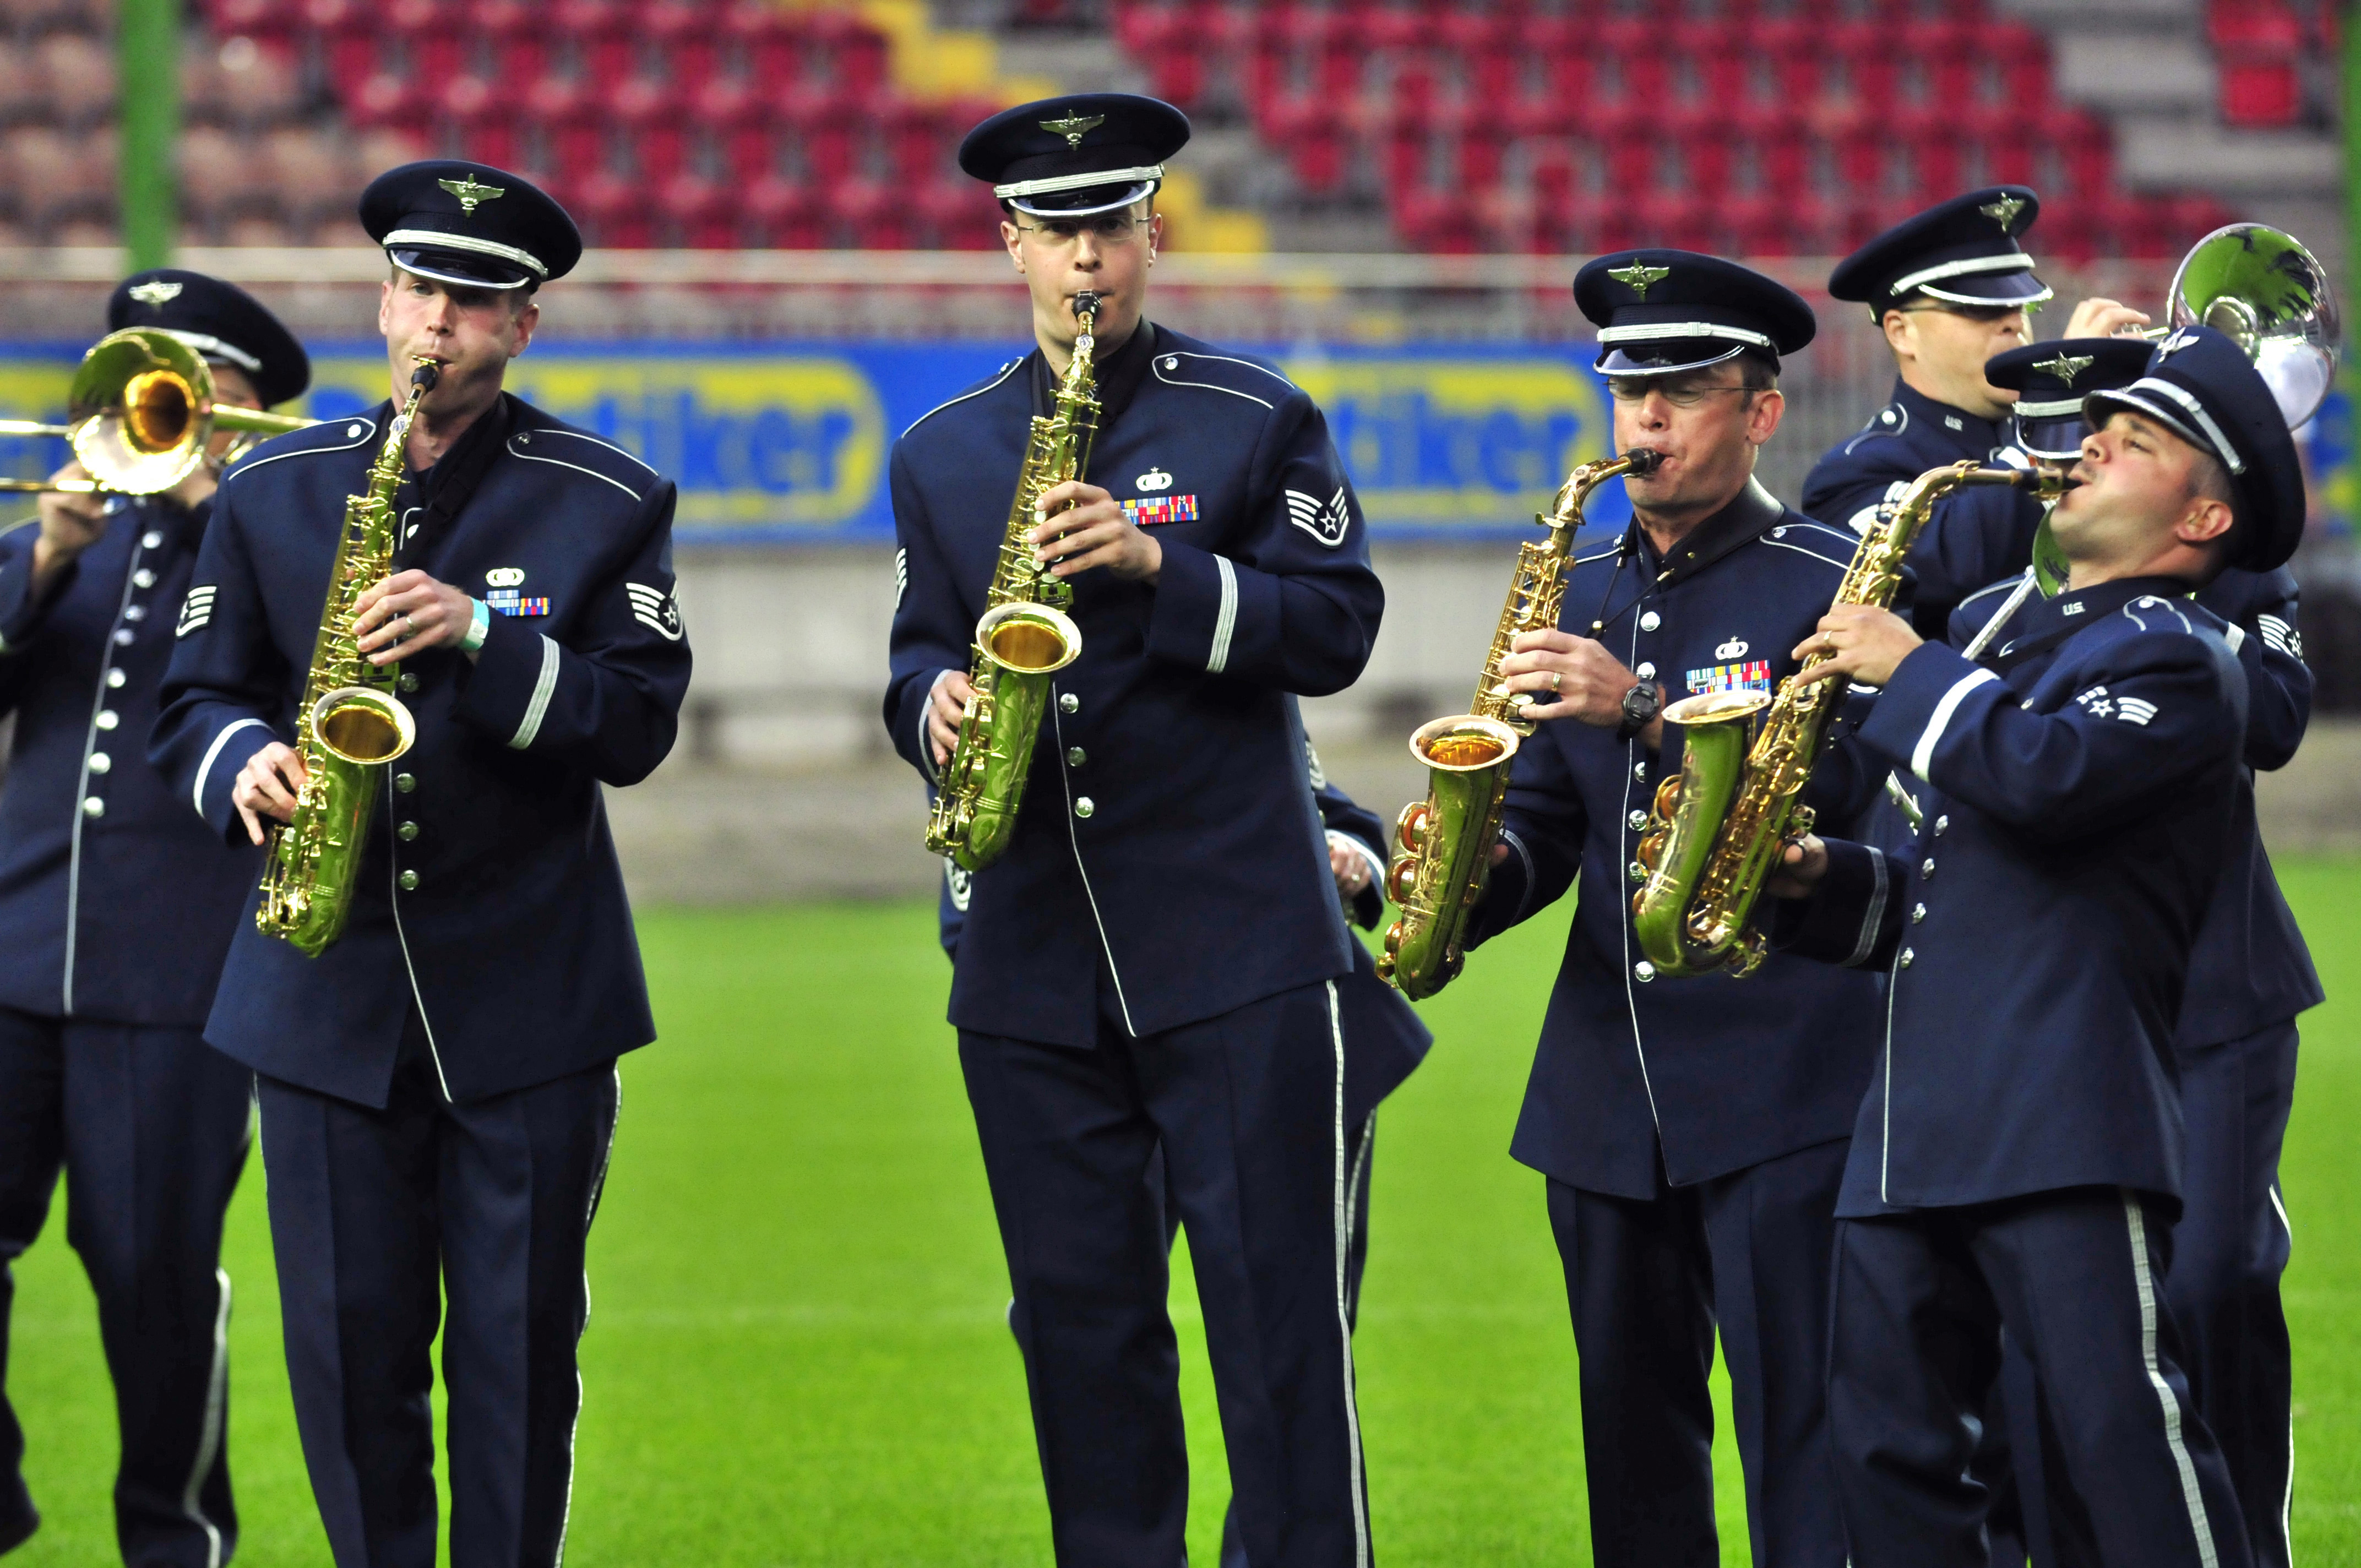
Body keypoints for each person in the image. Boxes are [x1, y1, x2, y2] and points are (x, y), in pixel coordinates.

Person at [149, 163, 690, 1568]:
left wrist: (478, 634)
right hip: (317, 999)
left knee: (519, 1367)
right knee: (346, 1369)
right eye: (417, 292)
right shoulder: (272, 487)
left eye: (470, 303)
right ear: (383, 302)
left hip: (530, 1005)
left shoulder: (607, 498)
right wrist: (239, 763)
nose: (435, 327)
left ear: (523, 328)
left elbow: (632, 724)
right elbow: (190, 700)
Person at [885, 94, 1386, 1567]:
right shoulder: (946, 451)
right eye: (1059, 233)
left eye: (1112, 226)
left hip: (1237, 951)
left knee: (1280, 1341)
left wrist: (1165, 570)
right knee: (1081, 1348)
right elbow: (916, 653)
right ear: (1010, 246)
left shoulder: (1257, 416)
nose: (1088, 261)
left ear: (1154, 233)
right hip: (1034, 965)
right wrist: (936, 717)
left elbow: (1339, 627)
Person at [1767, 323, 2304, 1566]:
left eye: (2141, 442)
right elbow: (1944, 891)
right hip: (1913, 1116)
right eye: (2101, 431)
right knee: (1885, 1450)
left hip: (2063, 1110)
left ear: (2204, 521)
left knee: (2120, 1430)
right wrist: (1809, 881)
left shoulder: (2180, 653)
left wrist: (1910, 668)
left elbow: (2040, 776)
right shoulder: (2010, 636)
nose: (2092, 444)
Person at [1455, 250, 1884, 1568]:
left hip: (1783, 1086)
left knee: (1807, 1449)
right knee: (1629, 1460)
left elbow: (1841, 799)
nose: (1641, 420)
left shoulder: (1834, 580)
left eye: (1681, 391)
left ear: (1759, 410)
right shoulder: (1578, 585)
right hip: (1603, 1092)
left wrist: (1637, 708)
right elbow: (1543, 820)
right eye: (1626, 389)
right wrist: (1457, 886)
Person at [1976, 340, 2322, 1568]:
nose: (2086, 439)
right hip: (2054, 999)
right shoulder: (2020, 562)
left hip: (2208, 992)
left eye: (2124, 420)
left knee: (2209, 1288)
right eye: (2081, 419)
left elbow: (2271, 721)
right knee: (2059, 1343)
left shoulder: (2233, 580)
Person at [940, 739, 1433, 1568]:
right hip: (1074, 1035)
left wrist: (1352, 857)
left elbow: (1328, 807)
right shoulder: (986, 724)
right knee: (1080, 1345)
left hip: (1257, 1019)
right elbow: (972, 899)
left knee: (1282, 1349)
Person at [0, 270, 307, 1566]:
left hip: (174, 971)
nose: (155, 403)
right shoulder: (65, 529)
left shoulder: (278, 529)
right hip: (15, 950)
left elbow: (315, 661)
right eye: (141, 375)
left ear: (235, 406)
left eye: (186, 385)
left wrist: (208, 499)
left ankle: (171, 1536)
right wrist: (47, 550)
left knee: (152, 1278)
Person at [1802, 187, 2150, 637]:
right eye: (1976, 308)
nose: (2012, 321)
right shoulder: (1852, 475)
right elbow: (1950, 564)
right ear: (1902, 332)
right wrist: (2056, 407)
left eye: (2017, 304)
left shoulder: (2080, 436)